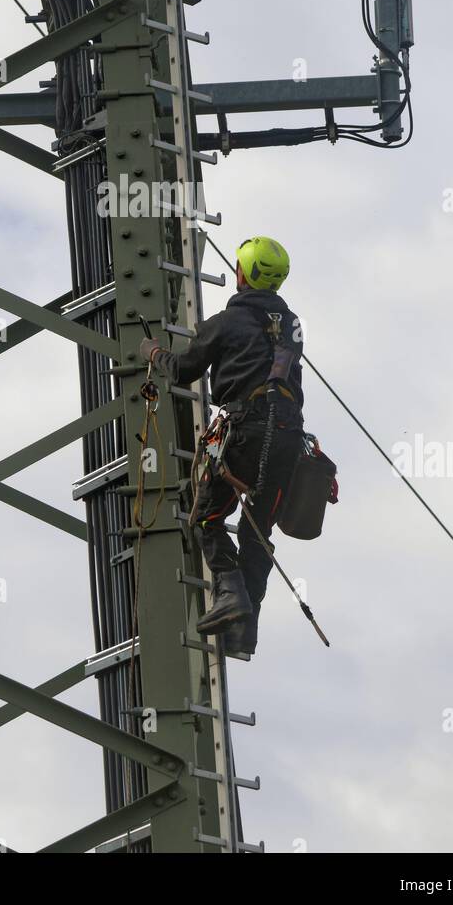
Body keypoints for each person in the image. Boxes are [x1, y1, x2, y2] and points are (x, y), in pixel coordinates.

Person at [139, 236, 304, 659]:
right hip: (287, 439)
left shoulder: (225, 324)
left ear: (242, 273)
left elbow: (182, 369)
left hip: (244, 433)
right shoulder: (293, 326)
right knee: (257, 532)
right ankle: (243, 631)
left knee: (206, 517)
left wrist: (154, 353)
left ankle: (230, 593)